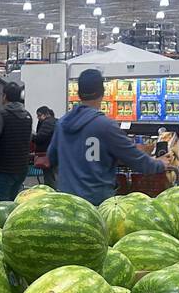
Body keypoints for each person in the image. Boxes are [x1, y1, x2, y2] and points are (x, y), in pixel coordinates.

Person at [47, 68, 169, 204]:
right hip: (96, 203)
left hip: (66, 201)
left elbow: (51, 158)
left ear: (78, 93)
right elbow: (137, 161)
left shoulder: (62, 123)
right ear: (103, 92)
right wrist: (160, 164)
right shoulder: (105, 126)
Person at [0, 81, 33, 201]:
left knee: (0, 203)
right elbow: (29, 139)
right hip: (22, 168)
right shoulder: (28, 116)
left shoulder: (1, 115)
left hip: (4, 168)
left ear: (5, 96)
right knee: (15, 201)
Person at [33, 106, 57, 188]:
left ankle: (51, 194)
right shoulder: (54, 121)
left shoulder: (47, 123)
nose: (38, 117)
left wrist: (31, 137)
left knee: (49, 178)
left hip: (47, 154)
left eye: (39, 115)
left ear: (46, 114)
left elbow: (40, 137)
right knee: (53, 176)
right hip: (54, 153)